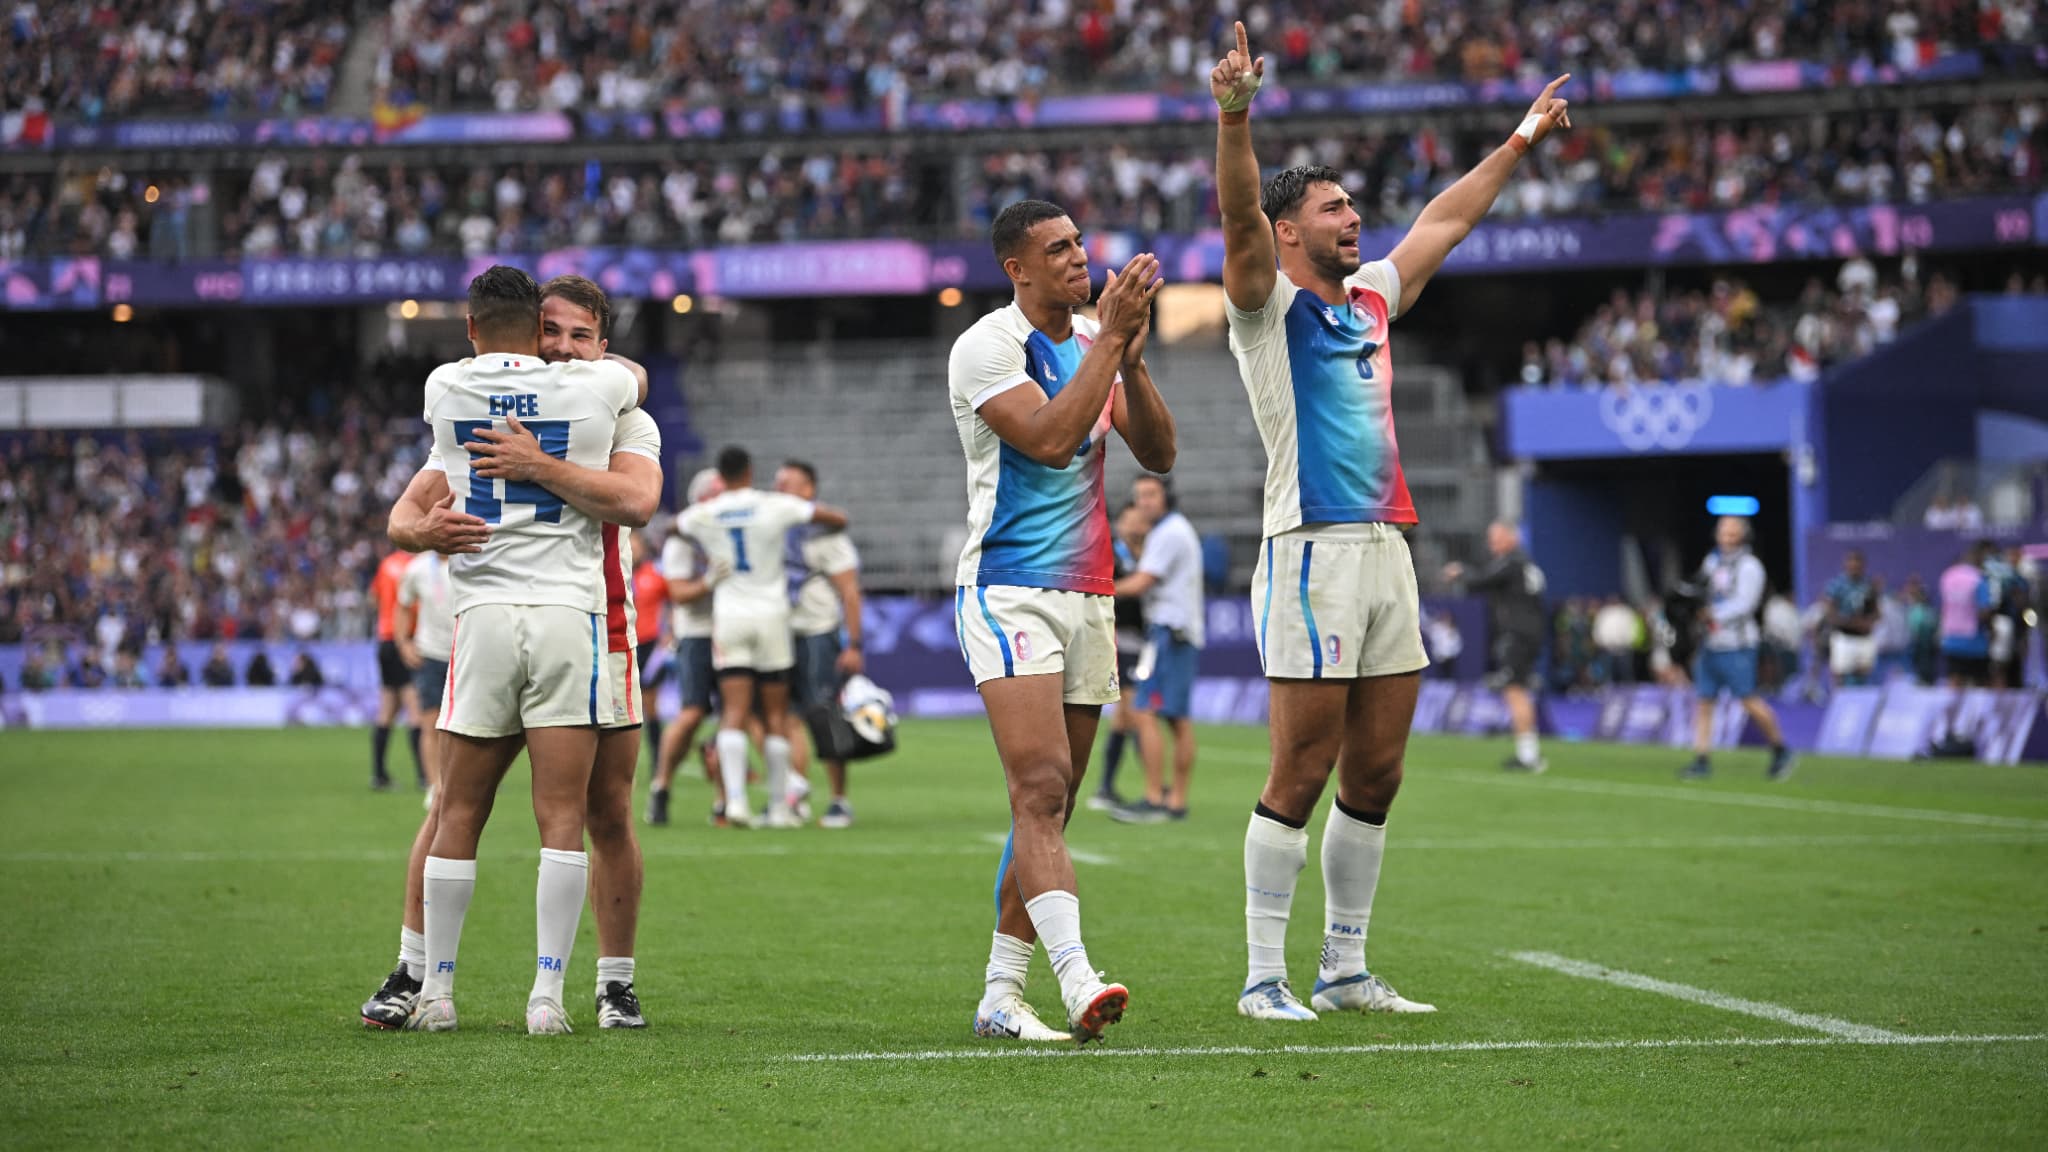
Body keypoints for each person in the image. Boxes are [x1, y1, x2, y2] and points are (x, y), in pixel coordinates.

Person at [1213, 24, 1567, 1020]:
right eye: (1332, 210)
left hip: (1386, 549)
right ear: (1290, 234)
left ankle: (1343, 967)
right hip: (1309, 549)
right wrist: (1233, 114)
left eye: (1353, 207)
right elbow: (1238, 216)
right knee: (1301, 767)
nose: (1352, 220)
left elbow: (1445, 222)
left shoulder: (1370, 297)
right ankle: (1261, 977)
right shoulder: (1264, 307)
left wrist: (1519, 139)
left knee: (1377, 769)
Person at [363, 275, 663, 1035]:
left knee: (609, 811)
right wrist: (420, 533)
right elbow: (406, 511)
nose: (561, 347)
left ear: (602, 343)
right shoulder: (561, 399)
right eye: (549, 332)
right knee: (455, 805)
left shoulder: (624, 416)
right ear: (529, 335)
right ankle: (413, 967)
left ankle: (615, 980)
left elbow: (634, 504)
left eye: (578, 337)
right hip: (559, 619)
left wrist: (539, 464)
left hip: (607, 625)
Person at [949, 199, 1176, 1043]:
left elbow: (1158, 453)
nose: (1079, 257)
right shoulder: (987, 345)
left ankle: (1001, 996)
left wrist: (1134, 361)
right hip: (1009, 587)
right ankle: (1078, 979)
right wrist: (1109, 346)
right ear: (1019, 269)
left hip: (1088, 593)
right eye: (1058, 248)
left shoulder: (1096, 344)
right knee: (1040, 788)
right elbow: (1047, 438)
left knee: (1051, 803)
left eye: (1080, 242)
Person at [677, 445, 848, 829]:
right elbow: (834, 517)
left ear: (720, 477)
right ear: (751, 471)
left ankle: (735, 802)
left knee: (734, 713)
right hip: (772, 617)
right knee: (776, 715)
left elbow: (674, 528)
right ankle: (779, 806)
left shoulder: (707, 511)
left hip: (730, 617)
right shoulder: (772, 504)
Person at [776, 459, 866, 829]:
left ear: (809, 490)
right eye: (777, 482)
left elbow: (849, 592)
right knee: (789, 718)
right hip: (782, 631)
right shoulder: (774, 530)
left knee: (823, 714)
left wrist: (854, 643)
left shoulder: (828, 536)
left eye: (788, 483)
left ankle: (839, 800)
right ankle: (796, 796)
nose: (779, 488)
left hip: (818, 630)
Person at [1111, 474, 1203, 823]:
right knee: (1175, 719)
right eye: (1139, 496)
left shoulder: (1168, 533)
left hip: (1169, 631)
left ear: (1166, 495)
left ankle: (1155, 797)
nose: (1144, 502)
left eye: (1150, 494)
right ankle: (1175, 801)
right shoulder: (1173, 530)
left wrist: (1098, 588)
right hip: (1176, 630)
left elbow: (1142, 582)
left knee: (1144, 710)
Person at [1681, 516, 1794, 781]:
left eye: (1733, 533)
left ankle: (1780, 748)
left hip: (1738, 644)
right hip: (1711, 642)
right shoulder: (1712, 562)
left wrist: (1712, 615)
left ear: (1743, 536)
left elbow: (1745, 604)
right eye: (1724, 532)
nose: (1727, 538)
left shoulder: (1750, 566)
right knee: (1704, 701)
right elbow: (1702, 591)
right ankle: (1702, 759)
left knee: (1748, 700)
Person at [648, 468, 726, 826]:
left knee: (733, 719)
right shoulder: (683, 539)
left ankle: (726, 800)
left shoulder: (730, 533)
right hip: (697, 631)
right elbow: (679, 593)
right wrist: (710, 580)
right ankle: (661, 785)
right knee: (693, 713)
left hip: (732, 630)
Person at [1443, 521, 1549, 772]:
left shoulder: (1512, 562)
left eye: (1497, 538)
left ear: (1512, 537)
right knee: (1517, 689)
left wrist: (1460, 573)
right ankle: (1529, 753)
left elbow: (1481, 580)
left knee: (1515, 690)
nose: (1492, 544)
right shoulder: (1527, 564)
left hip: (1518, 634)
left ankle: (1529, 757)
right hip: (1531, 633)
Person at [1088, 503, 1150, 812]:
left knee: (1130, 716)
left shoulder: (1152, 554)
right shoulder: (1113, 554)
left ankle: (1109, 787)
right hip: (1121, 639)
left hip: (1147, 640)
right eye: (1128, 519)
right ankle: (1151, 789)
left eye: (1138, 518)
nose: (1134, 524)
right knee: (1133, 710)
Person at [395, 548, 454, 805]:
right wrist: (403, 643)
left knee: (467, 726)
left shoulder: (471, 559)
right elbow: (403, 605)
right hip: (430, 654)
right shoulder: (417, 568)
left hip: (466, 654)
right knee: (429, 723)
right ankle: (435, 786)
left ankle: (461, 783)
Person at [369, 547, 423, 792]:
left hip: (384, 640)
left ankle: (379, 775)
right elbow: (412, 606)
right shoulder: (416, 566)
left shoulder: (386, 564)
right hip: (404, 640)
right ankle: (425, 776)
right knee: (415, 709)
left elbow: (374, 597)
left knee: (387, 709)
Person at [630, 531, 669, 768]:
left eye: (636, 546)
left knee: (650, 704)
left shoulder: (655, 575)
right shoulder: (614, 573)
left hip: (650, 645)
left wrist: (669, 635)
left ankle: (658, 761)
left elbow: (673, 602)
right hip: (625, 642)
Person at [1938, 543, 1994, 687]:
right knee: (1981, 682)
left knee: (1955, 680)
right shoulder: (1978, 579)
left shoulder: (1947, 576)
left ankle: (1953, 709)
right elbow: (1984, 612)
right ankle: (1980, 710)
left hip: (1951, 638)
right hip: (1974, 640)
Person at [1824, 551, 1880, 687]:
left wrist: (1869, 621)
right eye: (1852, 565)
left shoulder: (1868, 585)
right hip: (1844, 636)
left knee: (1863, 674)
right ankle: (1839, 704)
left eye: (1858, 566)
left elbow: (1877, 611)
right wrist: (1851, 623)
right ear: (1846, 565)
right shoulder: (1836, 585)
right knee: (1840, 674)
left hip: (1864, 637)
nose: (1854, 568)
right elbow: (1830, 612)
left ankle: (1861, 704)